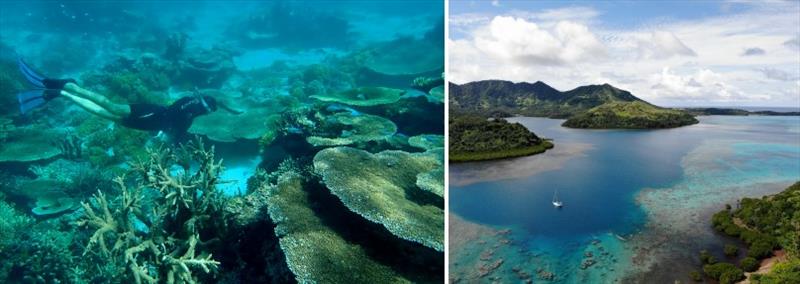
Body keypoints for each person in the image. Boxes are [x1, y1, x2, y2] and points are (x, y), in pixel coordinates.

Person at [16, 58, 242, 139]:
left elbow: (177, 116)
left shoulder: (188, 104)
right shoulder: (190, 113)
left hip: (147, 117)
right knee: (107, 107)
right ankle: (66, 86)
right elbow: (178, 128)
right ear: (206, 108)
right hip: (148, 115)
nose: (207, 112)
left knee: (104, 110)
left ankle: (61, 91)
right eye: (209, 110)